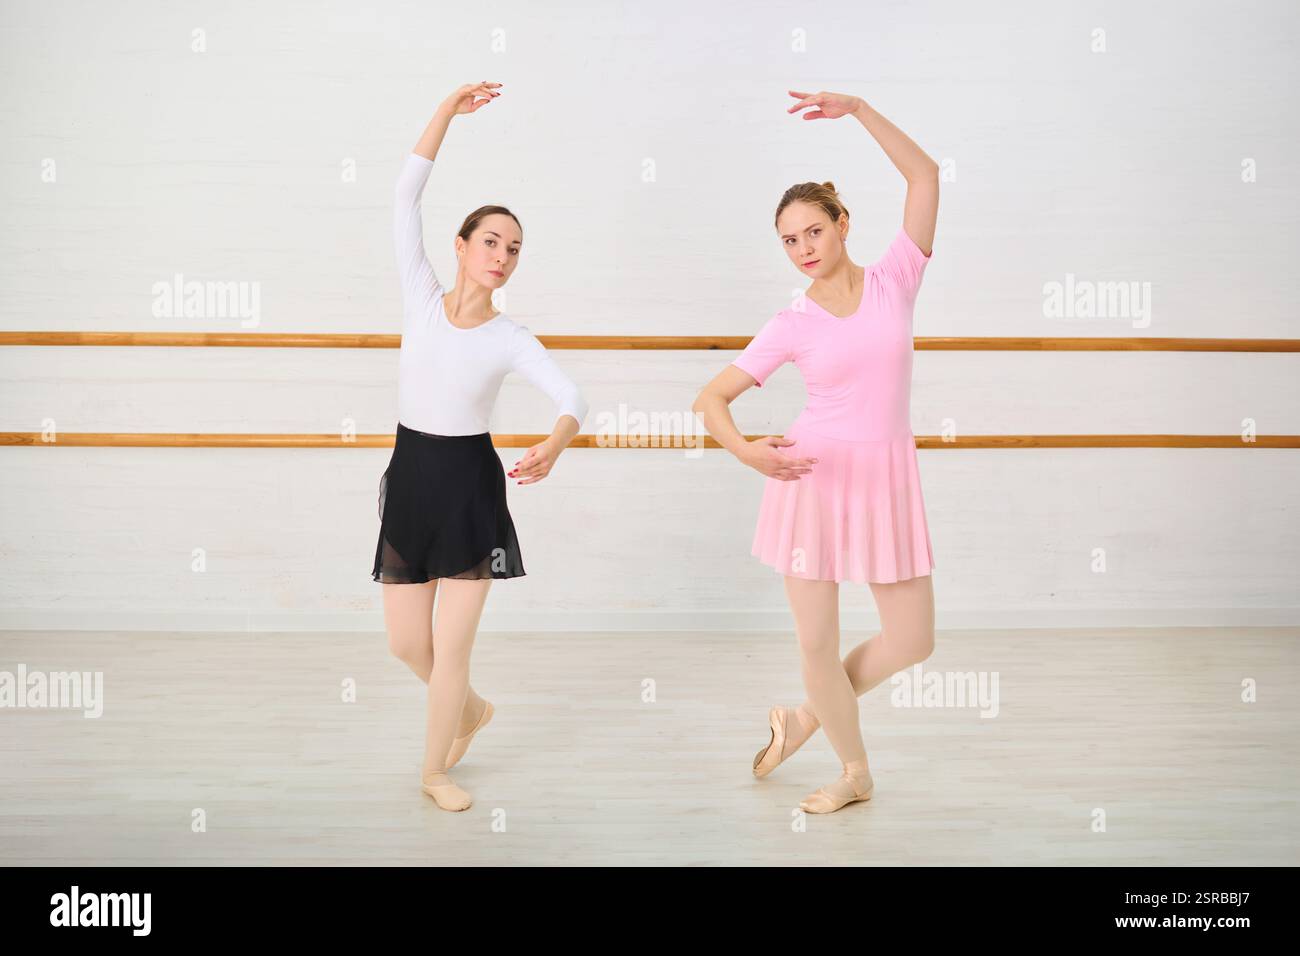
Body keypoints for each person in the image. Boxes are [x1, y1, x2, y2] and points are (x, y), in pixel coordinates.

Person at [693, 90, 939, 814]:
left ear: (842, 225)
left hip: (885, 479)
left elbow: (925, 178)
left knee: (915, 638)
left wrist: (860, 110)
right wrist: (745, 451)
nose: (803, 248)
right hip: (809, 479)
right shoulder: (789, 322)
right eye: (789, 240)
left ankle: (804, 716)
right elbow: (710, 399)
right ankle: (854, 770)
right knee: (816, 643)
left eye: (812, 231)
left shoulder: (896, 278)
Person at [375, 81, 588, 812]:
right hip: (410, 476)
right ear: (461, 248)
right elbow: (404, 199)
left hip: (470, 487)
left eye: (515, 249)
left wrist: (556, 443)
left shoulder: (510, 338)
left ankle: (436, 771)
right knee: (408, 646)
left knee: (452, 650)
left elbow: (572, 399)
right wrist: (445, 113)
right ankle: (467, 709)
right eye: (491, 241)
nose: (503, 255)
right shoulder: (420, 298)